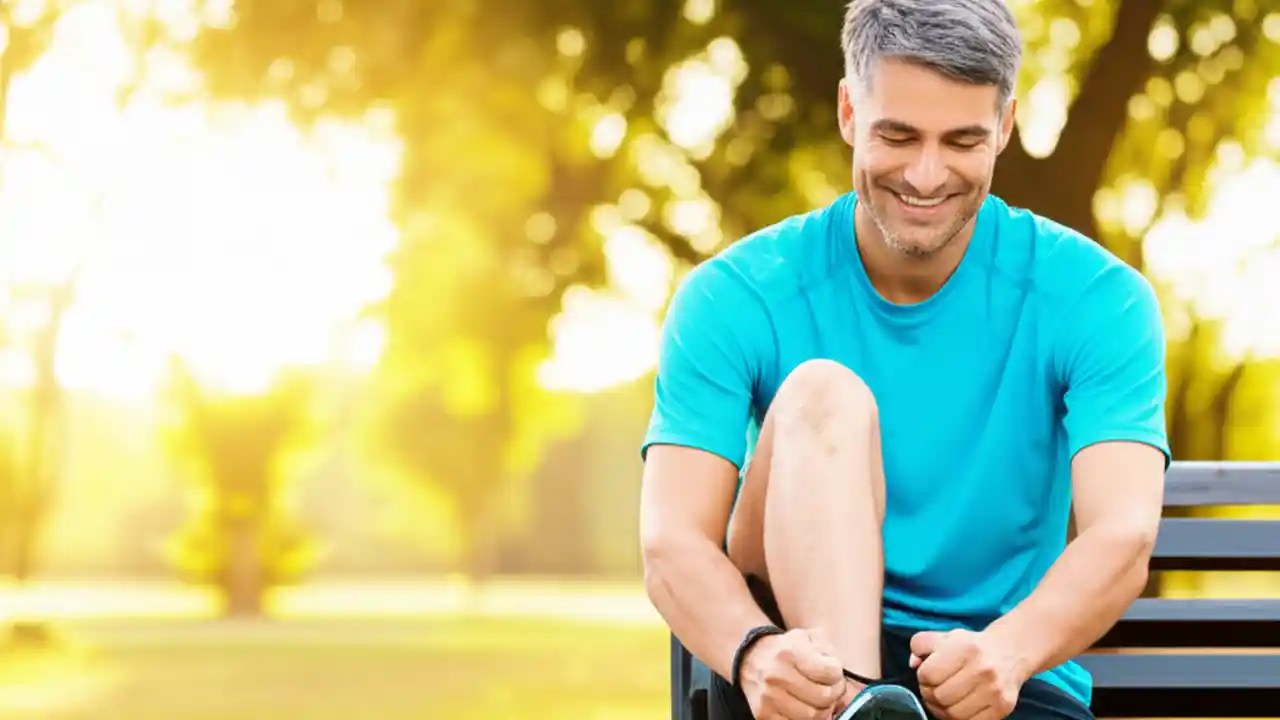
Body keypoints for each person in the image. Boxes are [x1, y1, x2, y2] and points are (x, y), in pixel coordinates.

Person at [638, 1, 1170, 719]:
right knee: (821, 394)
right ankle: (867, 706)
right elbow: (672, 540)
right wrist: (755, 653)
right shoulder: (734, 296)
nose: (926, 175)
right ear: (849, 111)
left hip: (993, 676)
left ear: (1005, 126)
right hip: (803, 672)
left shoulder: (1098, 301)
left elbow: (1122, 535)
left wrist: (1006, 653)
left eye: (961, 140)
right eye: (898, 135)